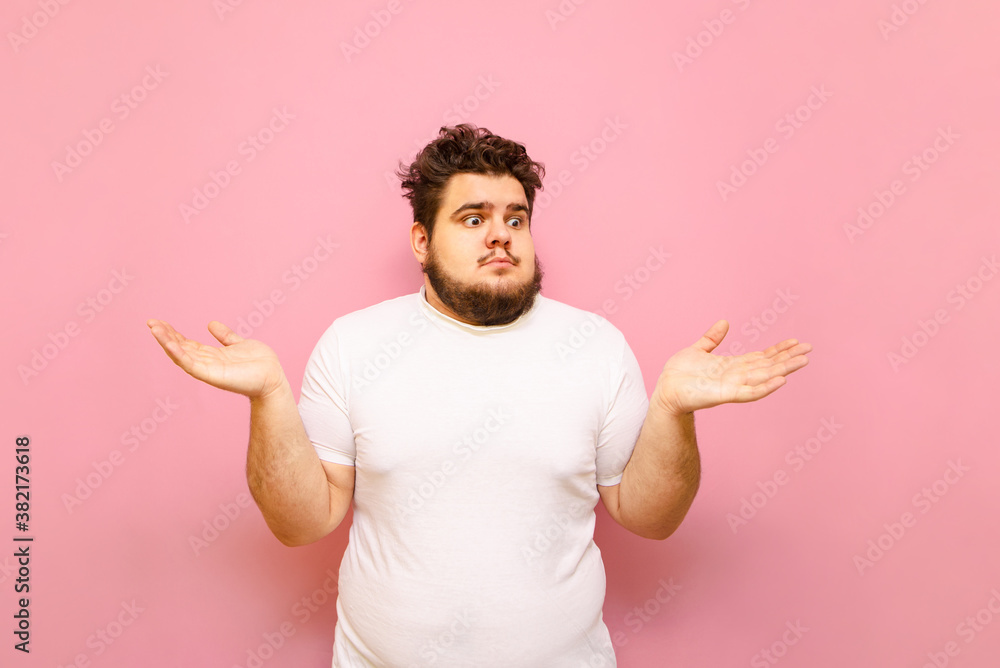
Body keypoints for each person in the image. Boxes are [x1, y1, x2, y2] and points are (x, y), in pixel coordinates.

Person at [147, 124, 812, 667]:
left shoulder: (595, 346)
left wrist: (674, 411)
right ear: (421, 240)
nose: (500, 234)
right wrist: (268, 398)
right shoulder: (353, 346)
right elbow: (304, 522)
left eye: (515, 218)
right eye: (472, 217)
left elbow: (649, 517)